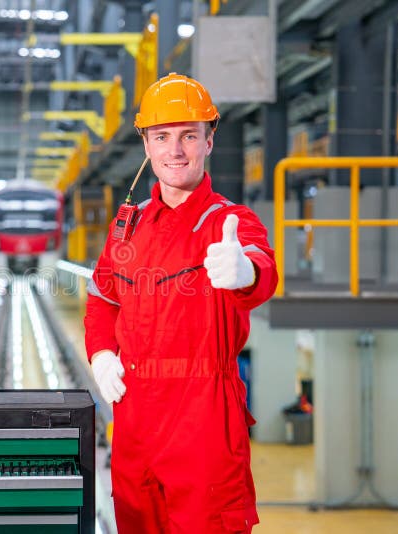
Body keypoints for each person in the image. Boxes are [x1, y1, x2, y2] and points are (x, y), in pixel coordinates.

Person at [84, 73, 278, 533]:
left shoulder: (231, 221)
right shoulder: (128, 228)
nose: (175, 150)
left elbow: (261, 268)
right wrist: (101, 352)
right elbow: (102, 298)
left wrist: (244, 271)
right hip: (134, 426)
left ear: (209, 142)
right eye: (162, 137)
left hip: (204, 426)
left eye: (189, 136)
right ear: (147, 145)